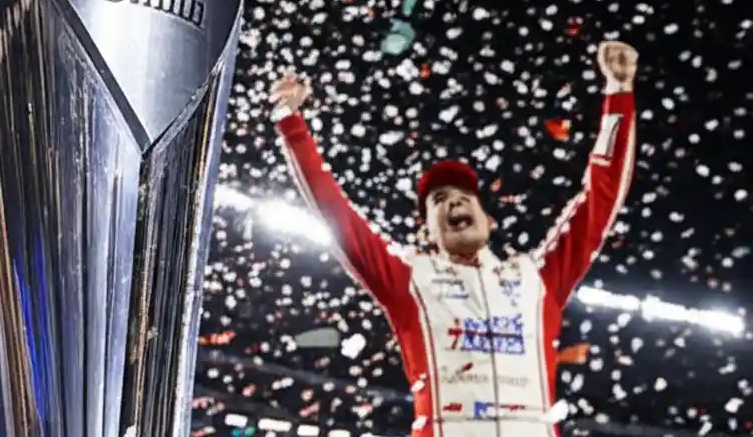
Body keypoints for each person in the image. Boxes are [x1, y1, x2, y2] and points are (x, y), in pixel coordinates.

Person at [269, 40, 638, 437]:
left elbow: (599, 199)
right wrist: (291, 121)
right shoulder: (409, 279)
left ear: (489, 220)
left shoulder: (538, 277)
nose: (455, 203)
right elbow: (336, 211)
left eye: (465, 198)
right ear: (427, 230)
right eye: (440, 201)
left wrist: (618, 93)